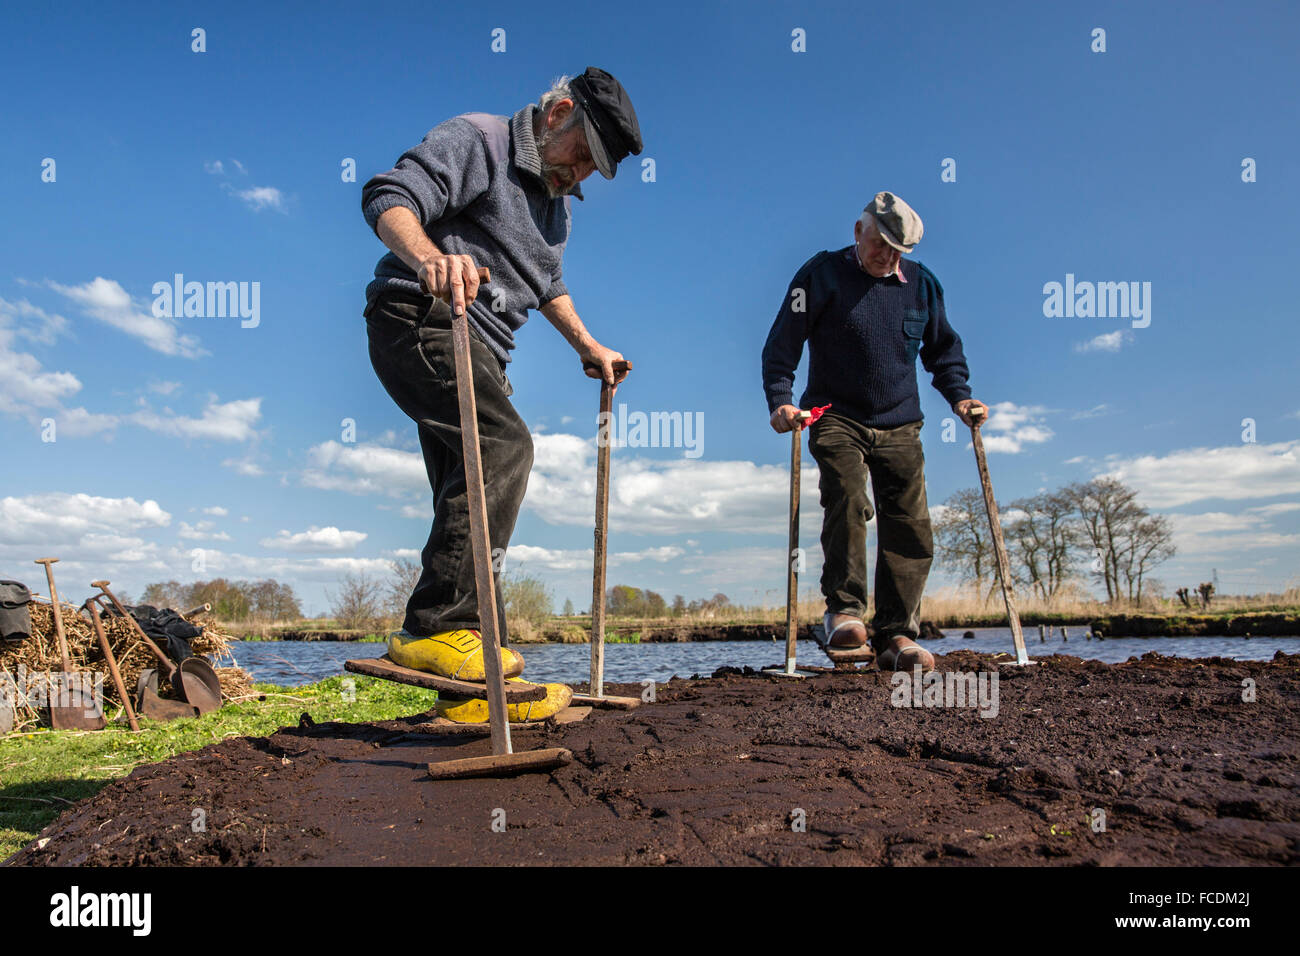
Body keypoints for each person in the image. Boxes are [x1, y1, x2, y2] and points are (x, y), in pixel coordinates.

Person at [361, 68, 641, 716]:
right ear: (557, 113)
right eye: (582, 156)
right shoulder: (479, 139)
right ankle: (433, 626)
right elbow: (389, 196)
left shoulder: (555, 209)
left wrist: (588, 345)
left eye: (595, 170)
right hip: (420, 317)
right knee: (503, 446)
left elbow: (545, 284)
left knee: (473, 498)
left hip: (481, 349)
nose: (581, 176)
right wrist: (430, 257)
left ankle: (475, 690)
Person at [761, 192, 988, 671]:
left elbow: (943, 350)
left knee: (910, 523)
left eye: (898, 251)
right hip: (833, 414)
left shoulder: (922, 285)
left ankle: (896, 634)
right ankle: (844, 612)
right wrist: (781, 400)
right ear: (858, 230)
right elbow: (782, 345)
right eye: (881, 244)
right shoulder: (819, 276)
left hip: (901, 421)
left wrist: (960, 396)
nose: (887, 257)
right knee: (848, 496)